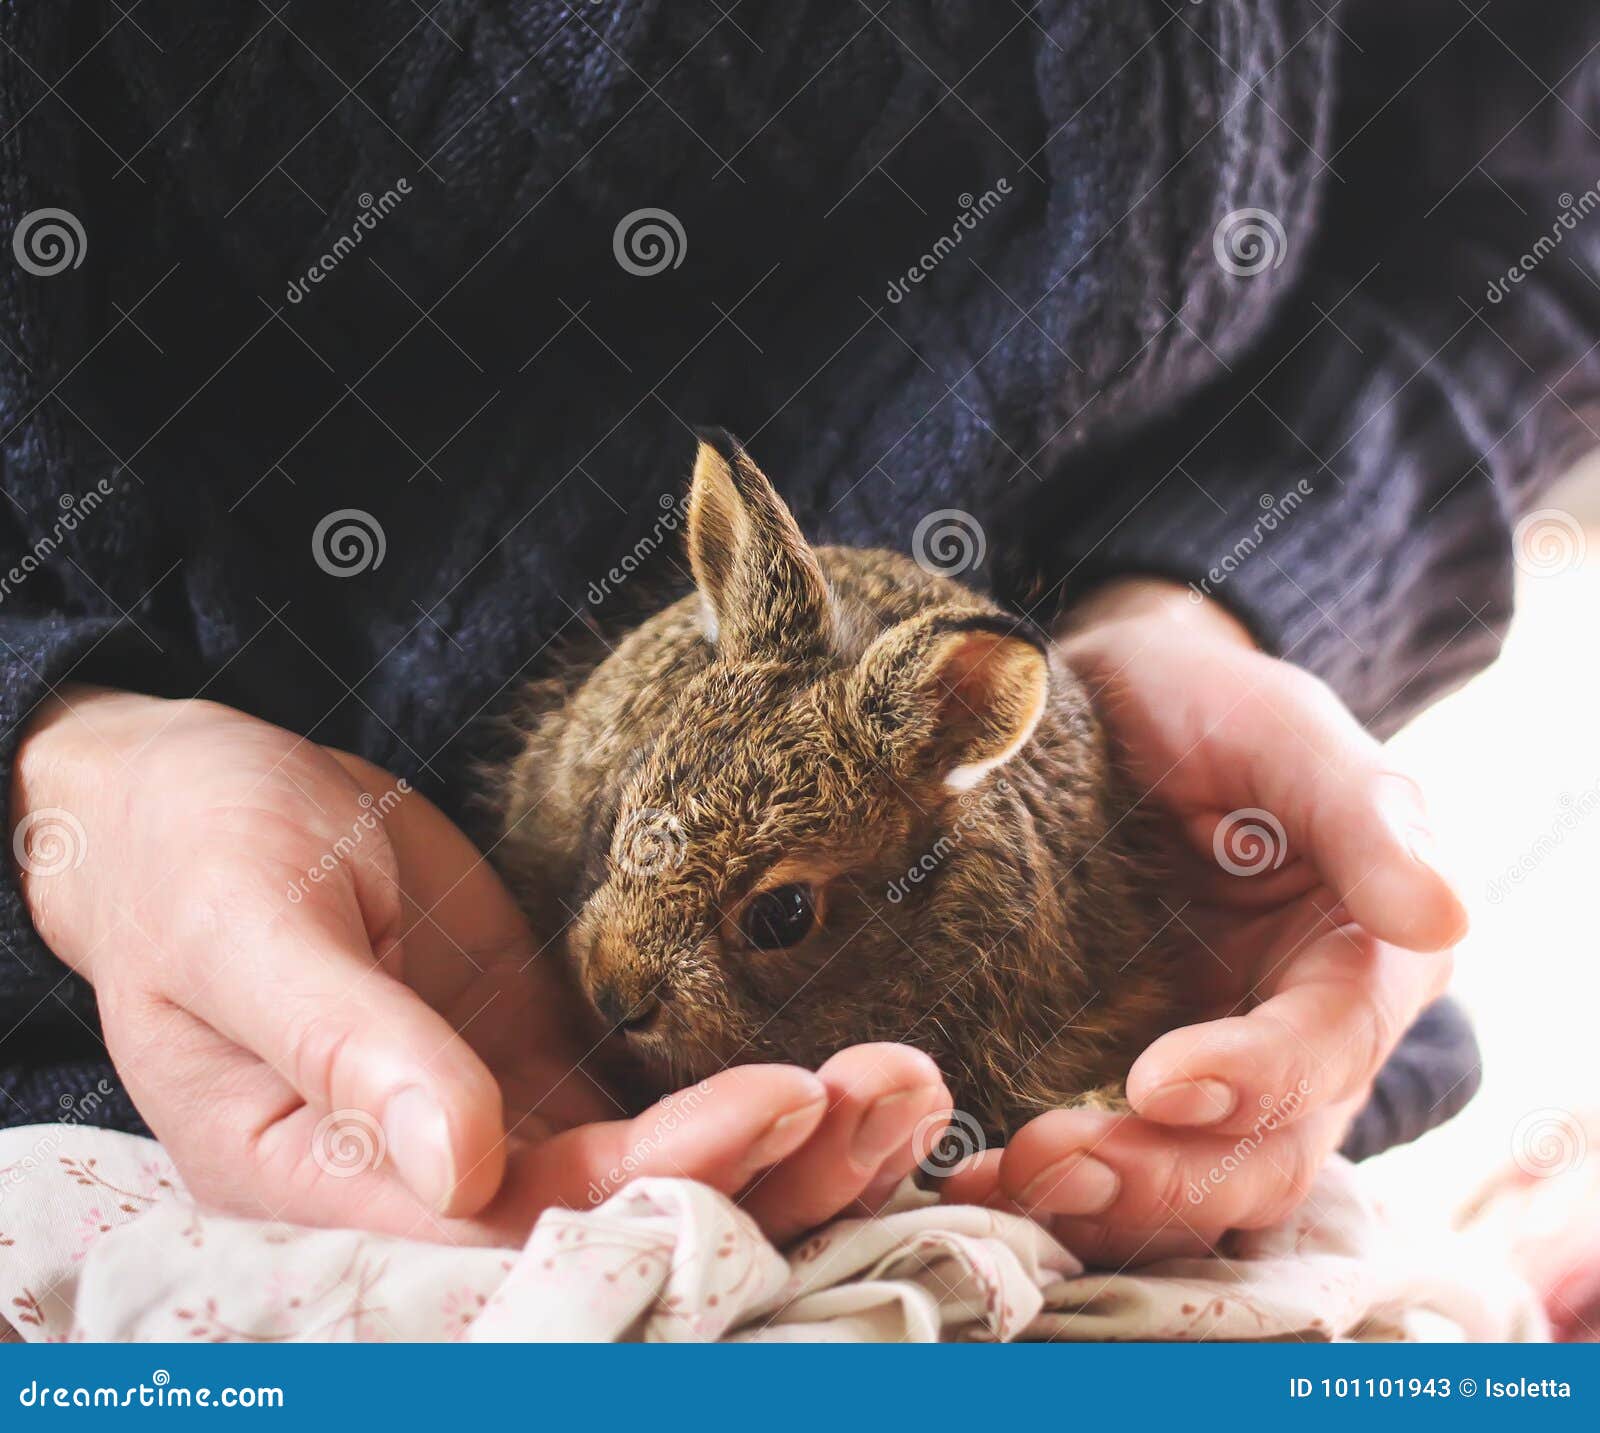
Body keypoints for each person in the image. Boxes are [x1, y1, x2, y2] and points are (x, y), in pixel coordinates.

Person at [0, 2, 1592, 1262]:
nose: (621, 966)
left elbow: (1532, 207)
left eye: (774, 916)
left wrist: (1223, 591)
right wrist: (68, 763)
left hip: (1115, 1167)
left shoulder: (983, 917)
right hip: (160, 1092)